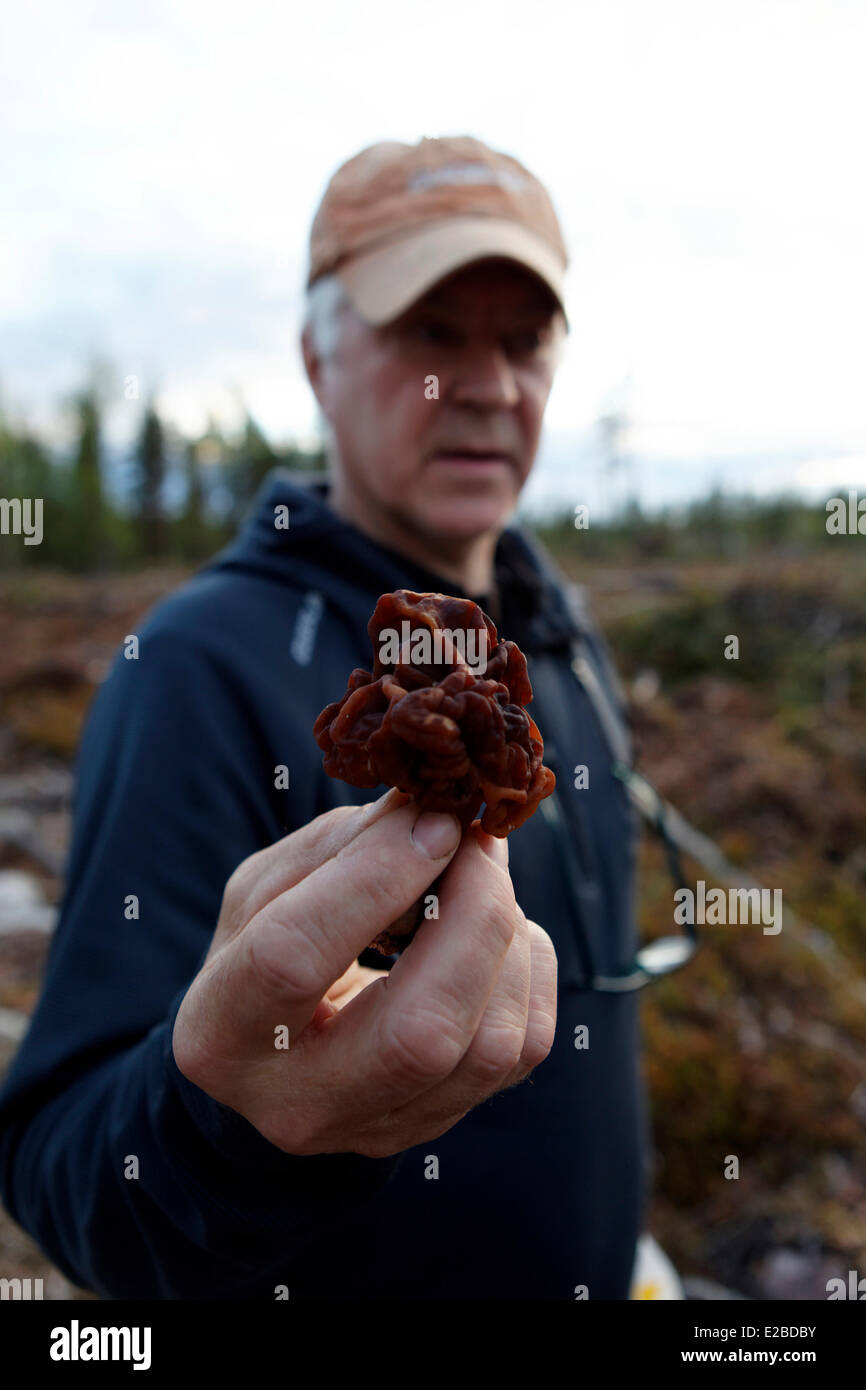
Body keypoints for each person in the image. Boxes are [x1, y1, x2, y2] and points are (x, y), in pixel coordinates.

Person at [0, 134, 649, 1300]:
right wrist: (232, 1122)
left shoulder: (563, 639)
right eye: (431, 336)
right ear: (315, 357)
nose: (489, 384)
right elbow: (60, 1165)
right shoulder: (192, 668)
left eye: (522, 339)